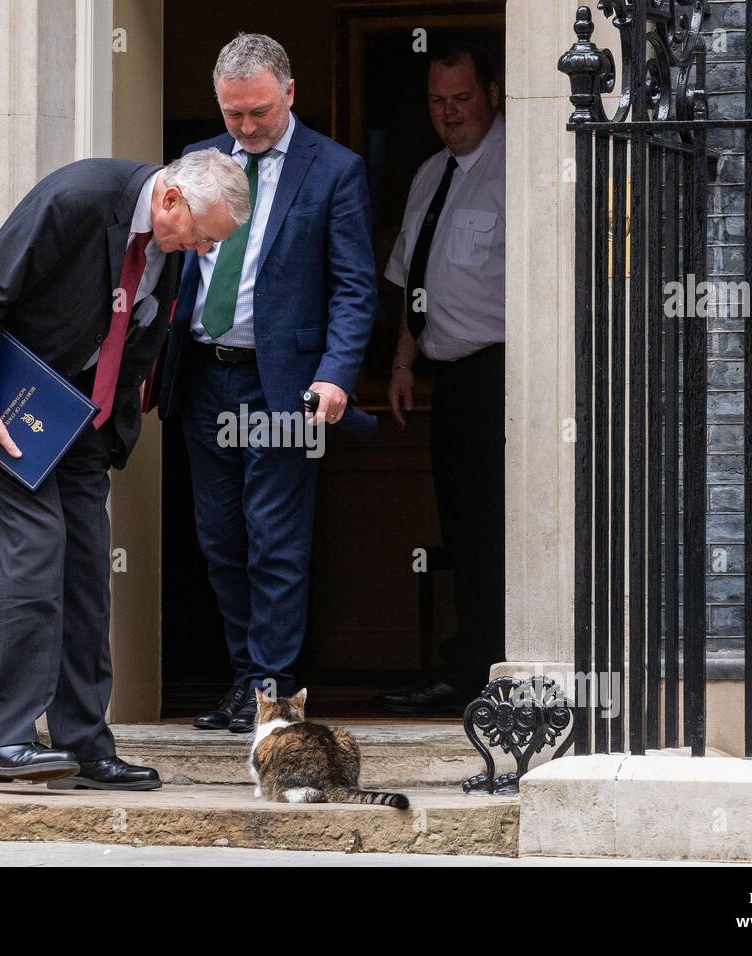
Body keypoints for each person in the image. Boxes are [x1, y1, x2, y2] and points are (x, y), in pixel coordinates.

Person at [0, 150, 250, 786]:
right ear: (171, 198)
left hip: (81, 425)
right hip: (13, 408)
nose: (203, 250)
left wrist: (113, 428)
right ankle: (3, 739)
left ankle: (86, 745)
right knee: (33, 558)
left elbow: (140, 330)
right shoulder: (77, 197)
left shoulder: (168, 248)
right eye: (202, 235)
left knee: (88, 576)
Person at [157, 33, 377, 733]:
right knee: (220, 539)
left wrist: (336, 375)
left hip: (279, 387)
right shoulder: (199, 164)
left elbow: (353, 287)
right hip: (203, 378)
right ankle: (244, 681)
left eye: (257, 113)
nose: (245, 129)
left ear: (289, 92)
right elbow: (168, 269)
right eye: (233, 115)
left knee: (275, 541)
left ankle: (274, 694)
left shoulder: (334, 171)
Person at [377, 42, 506, 714]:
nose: (449, 113)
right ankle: (468, 666)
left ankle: (496, 670)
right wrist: (403, 360)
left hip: (503, 374)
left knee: (494, 528)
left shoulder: (519, 165)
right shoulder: (431, 173)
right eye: (437, 101)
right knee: (460, 525)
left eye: (461, 98)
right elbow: (409, 278)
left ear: (491, 92)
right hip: (447, 379)